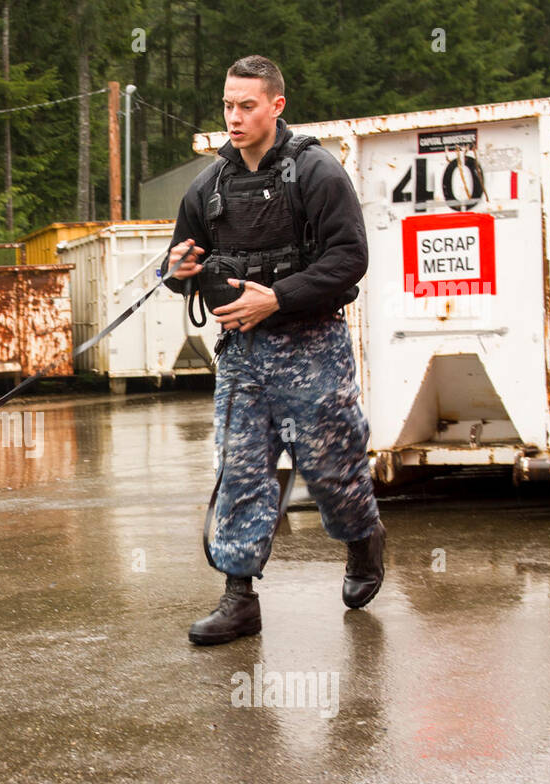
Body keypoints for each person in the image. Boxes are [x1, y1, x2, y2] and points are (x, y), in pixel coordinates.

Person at [160, 54, 386, 645]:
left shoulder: (317, 173)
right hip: (241, 356)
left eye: (247, 106)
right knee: (240, 472)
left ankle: (363, 541)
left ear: (276, 106)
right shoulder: (207, 186)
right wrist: (177, 270)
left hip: (313, 349)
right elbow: (180, 263)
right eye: (228, 106)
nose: (234, 118)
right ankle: (239, 598)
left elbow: (348, 259)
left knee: (332, 472)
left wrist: (277, 298)